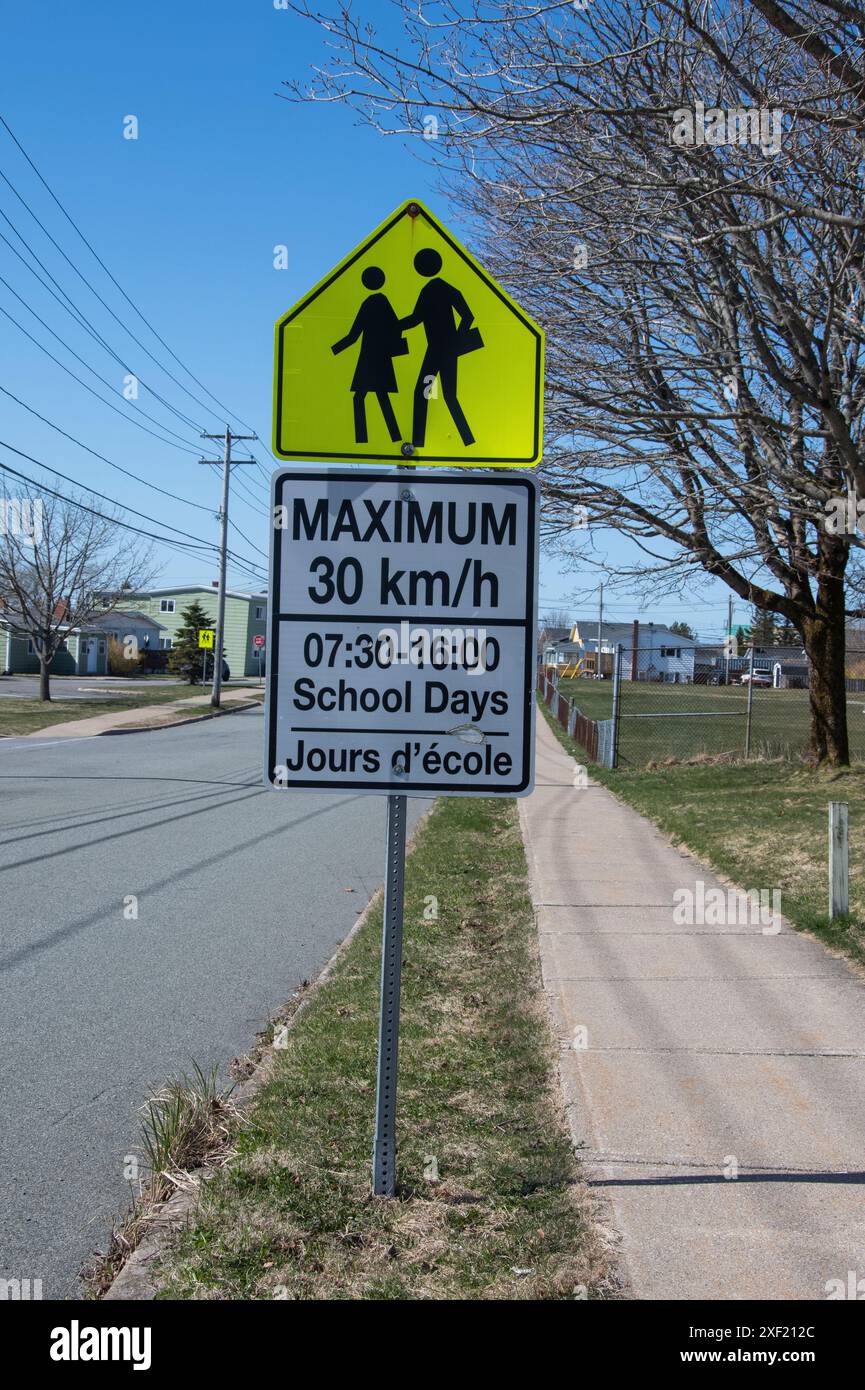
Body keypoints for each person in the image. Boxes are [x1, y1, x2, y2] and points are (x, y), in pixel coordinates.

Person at [400, 248, 478, 447]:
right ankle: (468, 440)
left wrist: (392, 326)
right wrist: (456, 341)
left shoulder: (430, 290)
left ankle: (418, 442)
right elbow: (467, 316)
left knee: (422, 393)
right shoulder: (443, 288)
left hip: (437, 351)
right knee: (448, 396)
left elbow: (415, 319)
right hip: (444, 351)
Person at [331, 266, 405, 443]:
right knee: (380, 396)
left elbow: (353, 336)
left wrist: (333, 350)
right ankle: (394, 436)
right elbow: (396, 328)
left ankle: (362, 438)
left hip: (369, 359)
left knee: (360, 397)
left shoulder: (370, 303)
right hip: (381, 358)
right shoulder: (383, 301)